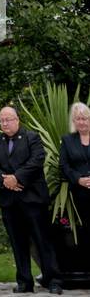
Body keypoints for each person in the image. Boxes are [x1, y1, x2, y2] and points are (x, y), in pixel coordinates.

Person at [0, 105, 62, 295]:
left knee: (42, 240)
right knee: (17, 242)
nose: (4, 123)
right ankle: (24, 281)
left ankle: (52, 279)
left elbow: (37, 161)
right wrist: (5, 181)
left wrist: (17, 178)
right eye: (2, 120)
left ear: (17, 120)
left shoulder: (32, 138)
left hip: (32, 199)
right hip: (9, 200)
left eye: (8, 119)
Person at [59, 102, 90, 254]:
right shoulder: (67, 140)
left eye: (85, 118)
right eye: (78, 118)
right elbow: (64, 166)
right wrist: (78, 179)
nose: (82, 122)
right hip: (80, 194)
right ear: (73, 121)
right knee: (86, 230)